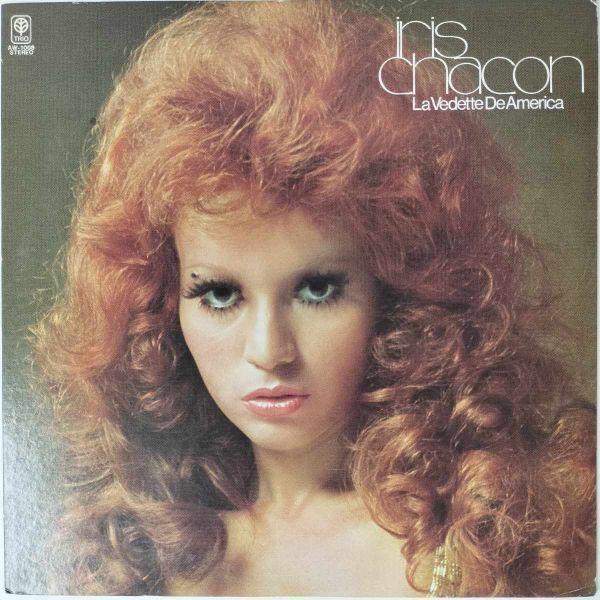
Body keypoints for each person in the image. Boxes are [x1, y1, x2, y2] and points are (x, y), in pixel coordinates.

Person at [33, 0, 595, 596]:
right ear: (163, 308)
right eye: (220, 294)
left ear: (399, 298)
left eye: (317, 289)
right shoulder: (141, 552)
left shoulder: (475, 545)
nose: (269, 351)